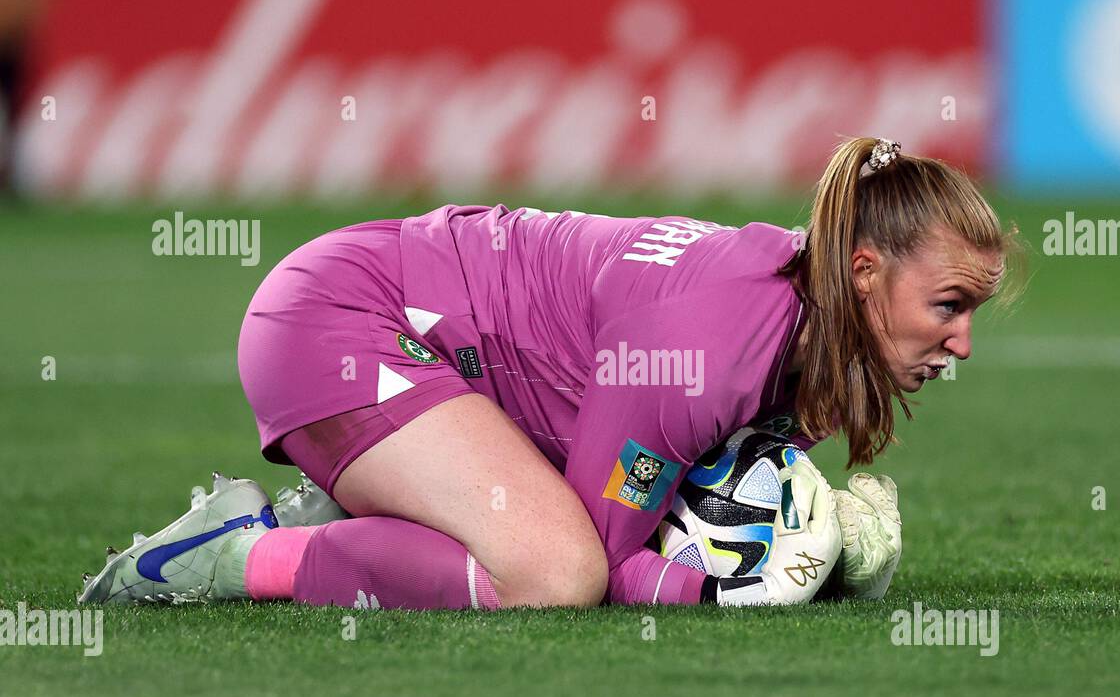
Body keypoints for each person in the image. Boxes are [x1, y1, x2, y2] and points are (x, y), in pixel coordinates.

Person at [79, 137, 1017, 610]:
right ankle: (230, 554)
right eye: (949, 306)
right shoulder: (713, 347)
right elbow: (609, 560)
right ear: (862, 278)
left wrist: (816, 555)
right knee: (552, 573)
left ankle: (357, 517)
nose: (963, 341)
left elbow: (686, 492)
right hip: (344, 319)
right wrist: (737, 589)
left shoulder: (799, 323)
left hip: (415, 329)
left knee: (549, 541)